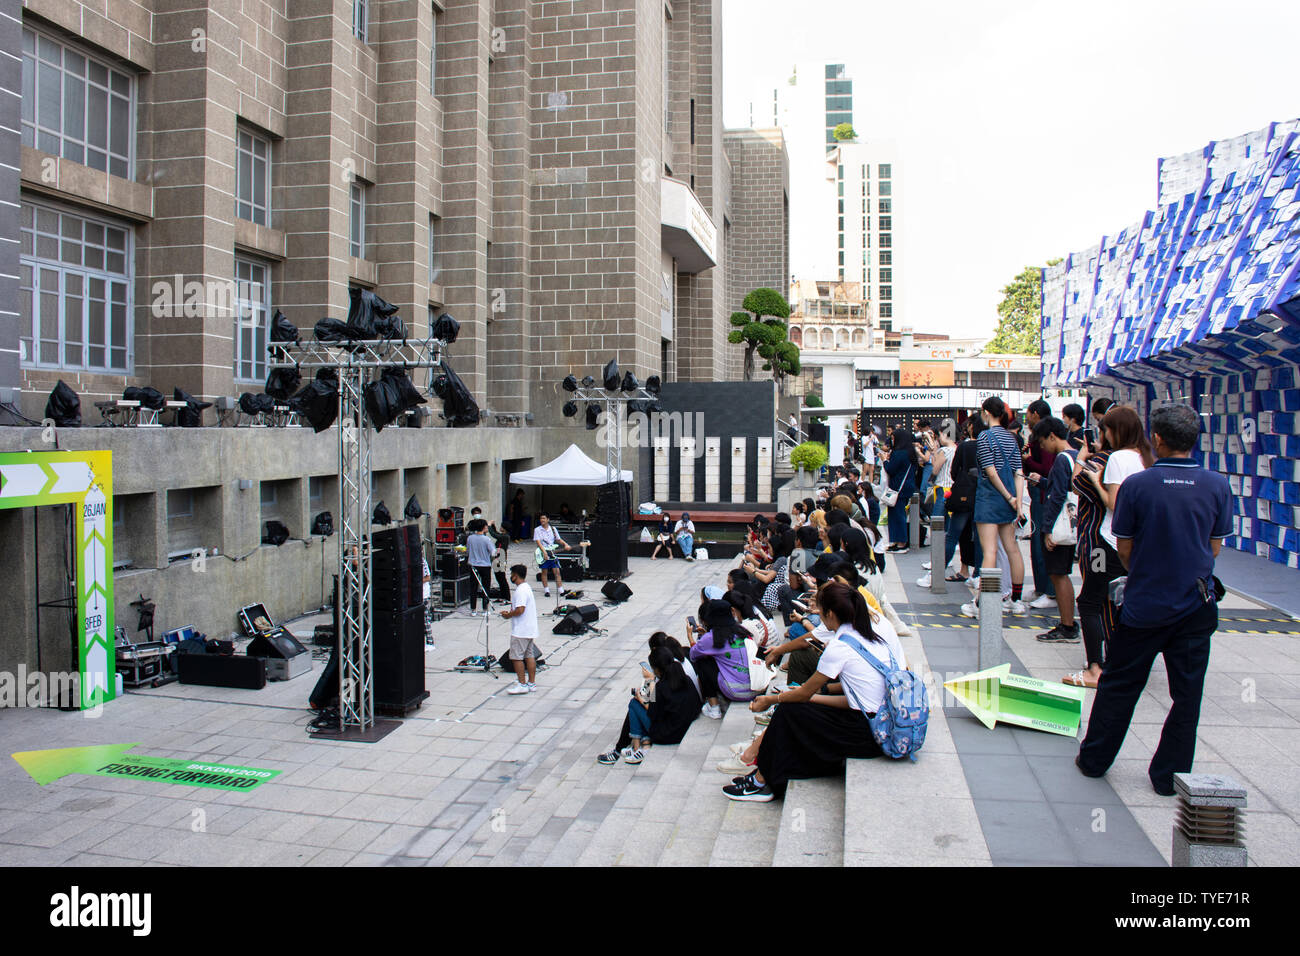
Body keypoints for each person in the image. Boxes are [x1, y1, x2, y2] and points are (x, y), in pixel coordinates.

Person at [1076, 404, 1231, 796]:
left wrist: (1147, 569)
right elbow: (1214, 547)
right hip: (1195, 604)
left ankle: (1094, 759)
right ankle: (1169, 776)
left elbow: (1124, 548)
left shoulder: (1138, 486)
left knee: (1120, 684)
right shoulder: (1216, 485)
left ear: (1157, 439)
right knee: (1187, 695)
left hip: (1144, 603)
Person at [723, 581, 904, 802]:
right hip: (879, 724)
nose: (818, 614)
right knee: (797, 711)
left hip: (868, 733)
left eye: (820, 610)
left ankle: (761, 782)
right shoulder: (869, 635)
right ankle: (762, 774)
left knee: (788, 711)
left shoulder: (840, 646)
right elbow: (856, 702)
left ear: (830, 614)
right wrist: (813, 699)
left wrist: (771, 700)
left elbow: (804, 694)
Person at [596, 646, 702, 765]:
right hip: (683, 727)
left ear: (657, 669)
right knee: (637, 704)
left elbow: (653, 713)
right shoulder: (685, 679)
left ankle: (620, 750)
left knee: (634, 704)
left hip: (669, 735)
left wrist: (645, 691)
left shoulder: (661, 687)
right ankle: (637, 746)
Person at [973, 396, 1027, 614]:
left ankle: (981, 603)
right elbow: (1019, 473)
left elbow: (990, 471)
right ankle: (1016, 600)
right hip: (1010, 502)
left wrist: (1007, 496)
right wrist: (1017, 502)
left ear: (986, 412)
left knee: (990, 552)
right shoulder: (1011, 438)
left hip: (989, 499)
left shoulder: (984, 436)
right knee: (1012, 548)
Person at [1032, 417, 1079, 642]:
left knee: (1058, 575)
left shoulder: (1061, 459)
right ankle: (1067, 623)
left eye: (1043, 442)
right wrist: (1043, 481)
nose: (1043, 448)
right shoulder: (1075, 456)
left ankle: (1067, 626)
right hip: (1072, 525)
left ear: (1052, 436)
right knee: (1063, 574)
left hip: (1059, 527)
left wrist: (1048, 528)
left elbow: (1058, 495)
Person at [689, 598, 758, 718]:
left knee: (703, 661)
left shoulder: (711, 638)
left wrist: (690, 636)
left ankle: (714, 707)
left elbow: (693, 655)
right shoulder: (741, 631)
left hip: (735, 691)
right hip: (756, 687)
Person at [1022, 399, 1057, 609]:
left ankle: (1049, 591)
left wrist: (1028, 460)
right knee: (1037, 543)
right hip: (1038, 492)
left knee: (1043, 543)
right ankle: (1041, 588)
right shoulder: (1036, 436)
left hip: (1043, 493)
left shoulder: (1044, 436)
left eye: (1028, 412)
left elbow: (1046, 468)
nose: (1026, 417)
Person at [499, 563, 540, 694]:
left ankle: (522, 684)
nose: (511, 576)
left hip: (521, 631)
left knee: (516, 657)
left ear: (516, 575)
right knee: (529, 656)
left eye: (512, 574)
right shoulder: (527, 587)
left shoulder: (521, 590)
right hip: (529, 629)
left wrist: (508, 615)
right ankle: (531, 683)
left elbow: (520, 609)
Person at [883, 427, 918, 553]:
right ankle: (898, 542)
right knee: (899, 514)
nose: (892, 441)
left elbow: (890, 469)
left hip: (897, 488)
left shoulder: (899, 453)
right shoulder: (910, 452)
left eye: (893, 438)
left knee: (897, 516)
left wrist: (885, 461)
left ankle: (901, 543)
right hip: (906, 487)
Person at [532, 513, 572, 598]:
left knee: (557, 572)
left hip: (552, 553)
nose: (542, 520)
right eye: (541, 518)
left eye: (544, 518)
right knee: (544, 572)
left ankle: (561, 590)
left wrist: (565, 544)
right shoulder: (537, 530)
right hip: (543, 552)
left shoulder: (553, 529)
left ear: (548, 519)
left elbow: (558, 539)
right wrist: (544, 552)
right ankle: (546, 590)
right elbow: (538, 542)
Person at [465, 518, 497, 616]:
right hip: (485, 566)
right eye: (486, 526)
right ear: (483, 527)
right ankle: (485, 609)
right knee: (485, 587)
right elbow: (493, 552)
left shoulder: (470, 538)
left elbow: (467, 551)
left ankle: (473, 609)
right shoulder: (486, 539)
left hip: (473, 565)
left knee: (473, 587)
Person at [421, 550, 436, 650]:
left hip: (424, 594)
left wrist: (416, 581)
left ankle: (430, 642)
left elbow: (428, 577)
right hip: (418, 594)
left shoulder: (422, 561)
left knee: (425, 618)